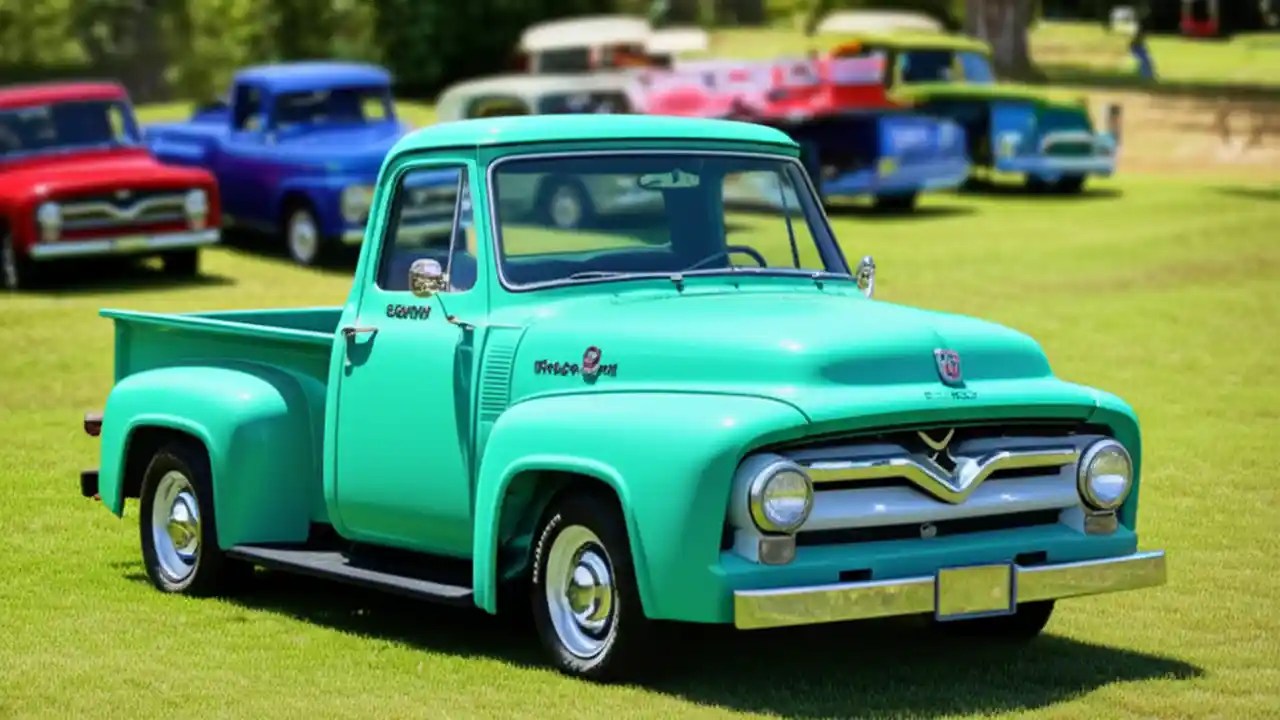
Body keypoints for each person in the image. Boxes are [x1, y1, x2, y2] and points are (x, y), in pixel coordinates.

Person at [1130, 16, 1157, 81]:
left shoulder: (1141, 31)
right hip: (1137, 48)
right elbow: (1136, 41)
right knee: (1145, 61)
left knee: (1148, 61)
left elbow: (1140, 41)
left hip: (1139, 47)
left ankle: (1149, 75)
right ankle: (1146, 76)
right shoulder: (1139, 31)